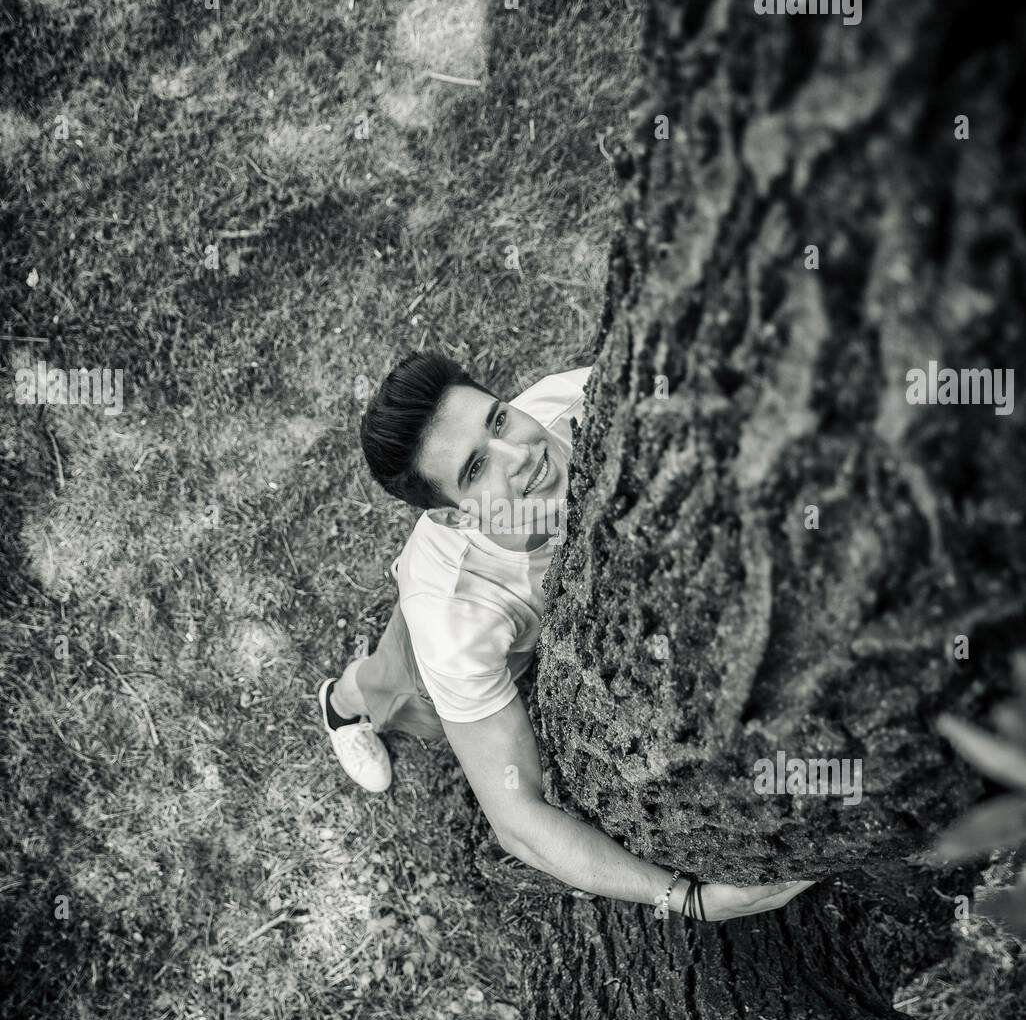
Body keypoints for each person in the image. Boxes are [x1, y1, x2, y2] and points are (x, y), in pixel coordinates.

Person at [319, 352, 813, 923]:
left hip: (550, 620)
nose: (523, 457)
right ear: (456, 517)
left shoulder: (584, 403)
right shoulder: (454, 625)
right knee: (405, 697)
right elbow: (516, 820)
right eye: (476, 469)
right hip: (460, 624)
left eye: (499, 421)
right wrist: (686, 899)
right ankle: (339, 705)